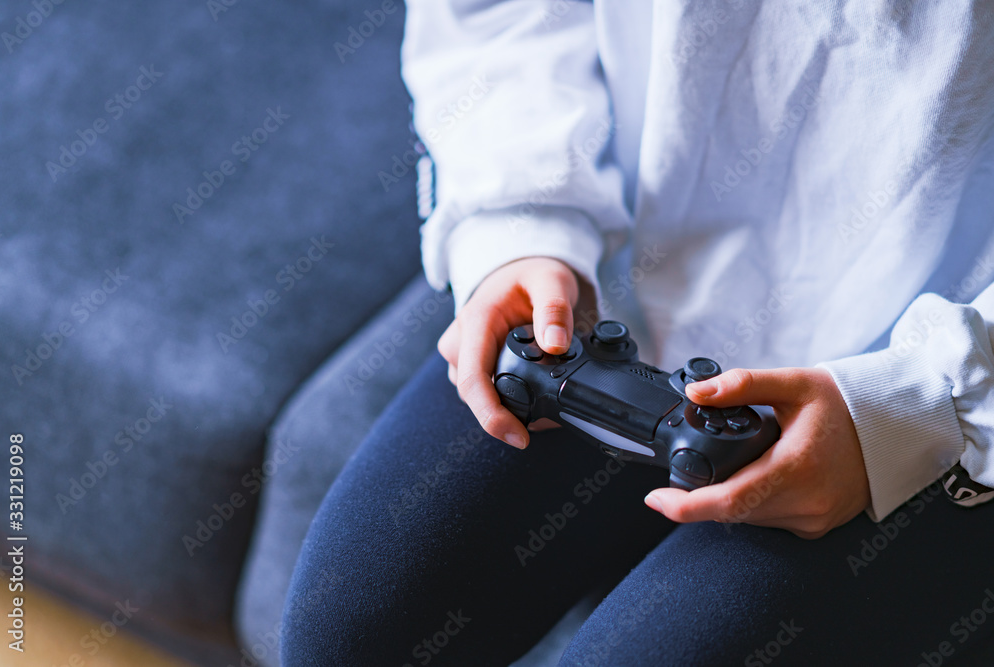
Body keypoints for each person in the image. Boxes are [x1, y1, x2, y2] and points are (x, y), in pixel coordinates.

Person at [281, 1, 994, 664]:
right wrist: (521, 221)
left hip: (940, 367)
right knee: (348, 629)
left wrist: (921, 404)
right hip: (623, 271)